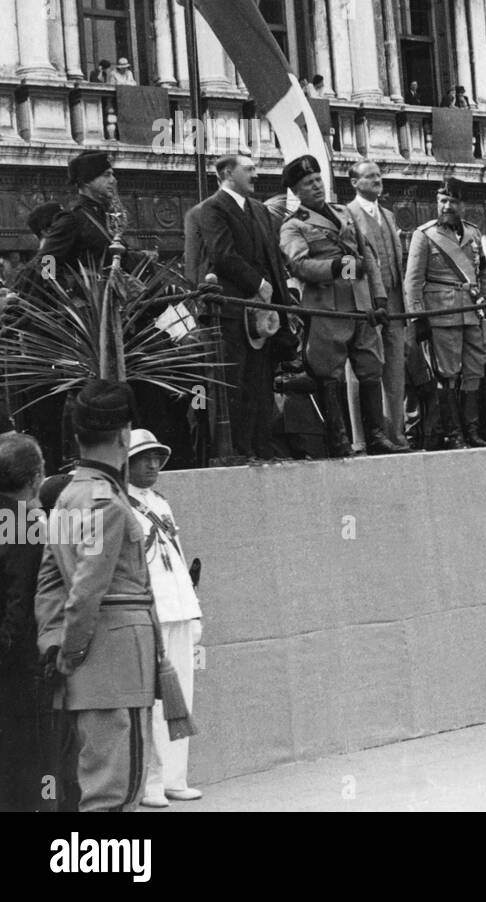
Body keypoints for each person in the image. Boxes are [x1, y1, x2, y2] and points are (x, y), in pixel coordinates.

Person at [35, 381, 157, 812]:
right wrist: (71, 650)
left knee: (97, 786)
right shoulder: (106, 501)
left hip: (92, 671)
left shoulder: (68, 495)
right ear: (125, 437)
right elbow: (87, 589)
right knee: (117, 791)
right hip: (117, 667)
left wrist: (54, 644)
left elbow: (50, 583)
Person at [279, 155, 404, 457]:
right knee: (329, 373)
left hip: (361, 305)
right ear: (297, 192)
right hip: (327, 307)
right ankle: (339, 441)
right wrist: (342, 267)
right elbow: (300, 266)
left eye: (318, 180)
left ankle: (376, 436)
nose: (317, 187)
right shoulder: (293, 226)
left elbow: (368, 257)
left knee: (370, 369)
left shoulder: (342, 212)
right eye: (308, 184)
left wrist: (380, 299)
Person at [194, 154, 293, 460]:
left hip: (262, 316)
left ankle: (260, 449)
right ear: (226, 172)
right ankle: (235, 451)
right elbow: (222, 254)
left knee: (261, 384)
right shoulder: (211, 209)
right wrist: (258, 284)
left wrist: (279, 302)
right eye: (249, 169)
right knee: (234, 385)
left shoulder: (260, 211)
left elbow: (273, 259)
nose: (256, 175)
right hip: (231, 312)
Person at [126, 430, 202, 808]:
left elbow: (178, 555)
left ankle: (175, 777)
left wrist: (195, 608)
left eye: (156, 457)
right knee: (154, 702)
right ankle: (151, 783)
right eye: (144, 458)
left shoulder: (161, 502)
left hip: (180, 608)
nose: (153, 465)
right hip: (151, 611)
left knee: (180, 699)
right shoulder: (121, 505)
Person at [404, 178, 486, 449]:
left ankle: (472, 431)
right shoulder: (425, 234)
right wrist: (418, 318)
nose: (447, 206)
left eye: (453, 201)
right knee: (448, 374)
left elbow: (483, 275)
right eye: (443, 200)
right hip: (442, 314)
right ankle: (453, 434)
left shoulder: (474, 234)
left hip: (472, 312)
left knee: (474, 372)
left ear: (462, 204)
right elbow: (413, 280)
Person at [0, 431, 51, 811]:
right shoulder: (25, 526)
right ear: (35, 478)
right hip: (16, 670)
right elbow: (20, 606)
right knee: (25, 767)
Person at [347, 161, 410, 450]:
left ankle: (397, 434)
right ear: (354, 182)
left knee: (395, 373)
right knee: (364, 372)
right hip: (367, 306)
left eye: (379, 176)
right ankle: (363, 439)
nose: (377, 180)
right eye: (370, 176)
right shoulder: (348, 214)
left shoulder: (388, 215)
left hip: (395, 304)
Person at [42, 151, 144, 282]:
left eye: (112, 175)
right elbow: (46, 259)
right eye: (106, 175)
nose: (113, 180)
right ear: (87, 180)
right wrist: (71, 293)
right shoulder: (73, 219)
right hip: (90, 300)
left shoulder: (106, 217)